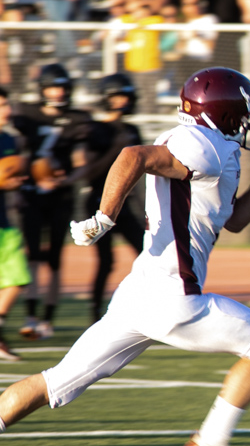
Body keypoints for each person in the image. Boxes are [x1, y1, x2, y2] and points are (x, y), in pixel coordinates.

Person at [0, 68, 250, 446]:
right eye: (244, 110)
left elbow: (234, 223)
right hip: (172, 295)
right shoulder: (201, 145)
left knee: (56, 381)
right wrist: (105, 217)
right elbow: (131, 157)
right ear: (224, 111)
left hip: (140, 295)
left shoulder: (213, 147)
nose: (249, 119)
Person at [12, 64, 94, 340]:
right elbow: (18, 149)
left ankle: (47, 319)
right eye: (52, 87)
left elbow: (82, 160)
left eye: (62, 87)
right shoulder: (26, 114)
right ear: (42, 89)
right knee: (33, 257)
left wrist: (67, 179)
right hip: (31, 195)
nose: (58, 92)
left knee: (55, 261)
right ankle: (31, 316)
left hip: (60, 196)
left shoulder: (78, 119)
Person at [85, 73, 147, 322]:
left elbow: (142, 172)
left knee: (145, 254)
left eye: (126, 96)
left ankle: (144, 304)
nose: (123, 101)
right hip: (100, 203)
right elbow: (89, 170)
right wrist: (115, 148)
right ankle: (95, 313)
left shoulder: (132, 130)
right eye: (118, 96)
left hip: (127, 205)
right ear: (106, 98)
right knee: (106, 261)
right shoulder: (96, 129)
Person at [0, 88, 31, 361]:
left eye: (7, 104)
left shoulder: (8, 138)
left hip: (4, 222)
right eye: (0, 105)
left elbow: (7, 177)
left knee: (18, 278)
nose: (5, 110)